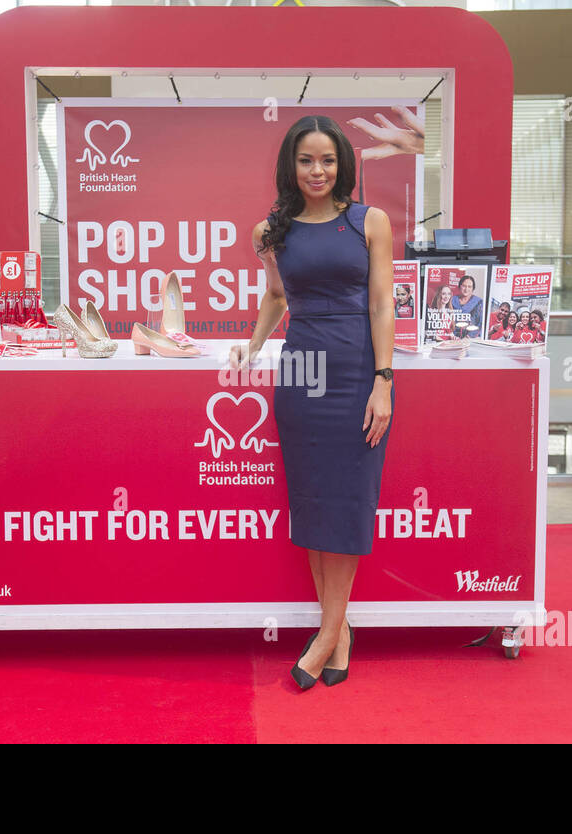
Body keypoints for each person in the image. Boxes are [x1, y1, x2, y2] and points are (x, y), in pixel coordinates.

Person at [233, 115, 394, 691]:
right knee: (314, 501)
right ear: (291, 166)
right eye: (306, 160)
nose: (318, 170)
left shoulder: (369, 222)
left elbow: (381, 305)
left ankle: (326, 634)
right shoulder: (269, 231)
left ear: (343, 164)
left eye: (327, 160)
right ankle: (338, 631)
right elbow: (278, 296)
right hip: (301, 375)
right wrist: (251, 347)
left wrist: (384, 380)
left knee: (347, 500)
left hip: (355, 372)